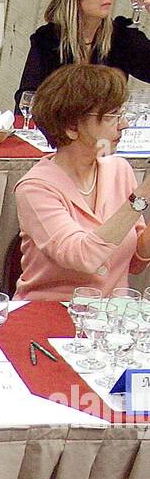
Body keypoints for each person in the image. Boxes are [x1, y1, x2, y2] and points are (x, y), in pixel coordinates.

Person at [14, 64, 149, 302]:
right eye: (112, 116)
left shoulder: (119, 169)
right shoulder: (35, 187)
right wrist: (143, 195)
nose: (124, 124)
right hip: (47, 316)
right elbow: (82, 257)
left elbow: (136, 260)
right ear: (72, 127)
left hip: (107, 320)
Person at [15, 0, 150, 111]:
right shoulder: (49, 38)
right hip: (60, 128)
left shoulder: (122, 34)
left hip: (105, 129)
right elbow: (28, 96)